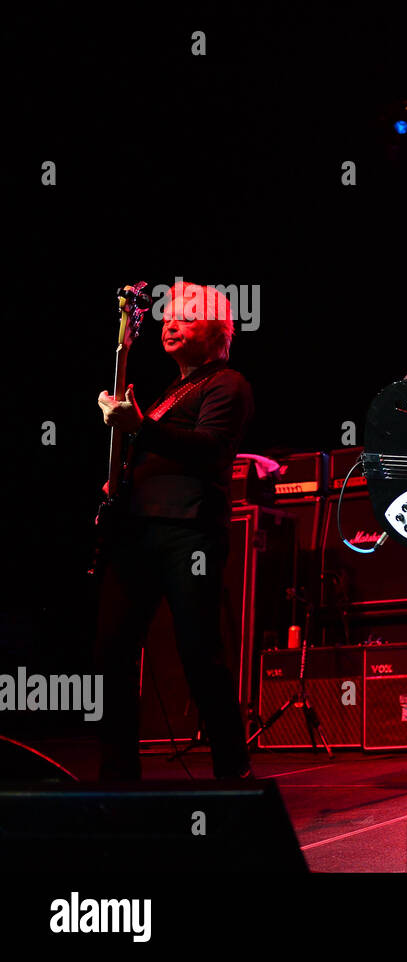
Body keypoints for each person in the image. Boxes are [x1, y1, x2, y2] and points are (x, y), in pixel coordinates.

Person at [94, 281, 253, 780]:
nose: (171, 323)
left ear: (218, 330)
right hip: (135, 535)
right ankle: (117, 776)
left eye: (185, 316)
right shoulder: (170, 392)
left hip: (188, 533)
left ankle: (233, 770)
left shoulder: (227, 384)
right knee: (112, 653)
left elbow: (209, 447)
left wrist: (140, 425)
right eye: (167, 317)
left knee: (199, 653)